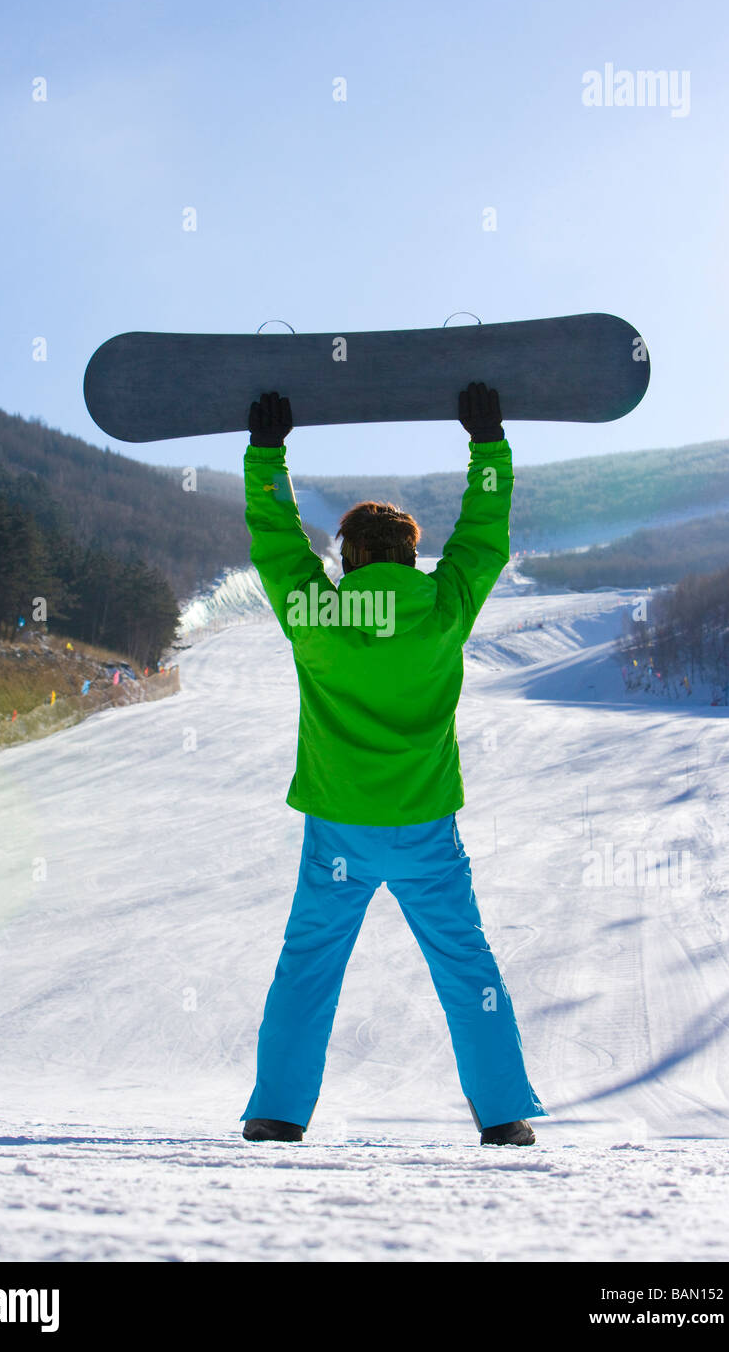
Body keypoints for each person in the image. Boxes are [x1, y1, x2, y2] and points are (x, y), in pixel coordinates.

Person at [239, 383, 547, 1146]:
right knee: (465, 968)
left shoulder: (320, 613)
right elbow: (484, 540)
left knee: (308, 967)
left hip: (340, 828)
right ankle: (505, 1117)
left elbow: (277, 546)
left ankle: (276, 1114)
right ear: (414, 554)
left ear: (346, 557)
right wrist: (488, 445)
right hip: (423, 829)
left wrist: (266, 456)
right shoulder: (443, 608)